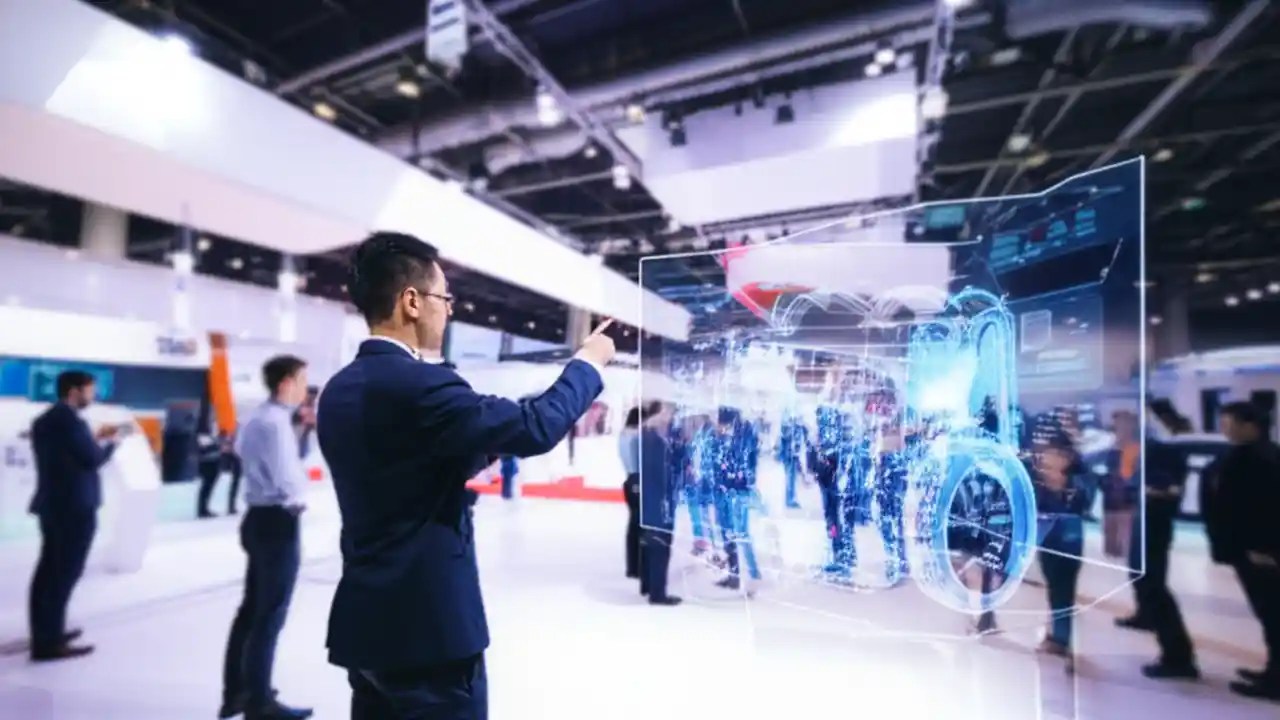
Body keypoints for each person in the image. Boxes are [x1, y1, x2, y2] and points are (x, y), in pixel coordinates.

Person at [316, 232, 612, 719]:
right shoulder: (422, 385)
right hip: (429, 636)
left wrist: (477, 446)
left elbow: (406, 466)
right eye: (443, 298)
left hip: (366, 628)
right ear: (412, 301)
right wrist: (587, 363)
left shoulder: (339, 391)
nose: (448, 310)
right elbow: (537, 427)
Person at [218, 355, 313, 720]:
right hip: (277, 522)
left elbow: (244, 456)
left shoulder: (256, 418)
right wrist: (298, 502)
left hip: (257, 518)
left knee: (251, 610)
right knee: (269, 615)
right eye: (302, 381)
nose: (305, 390)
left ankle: (238, 693)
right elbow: (287, 478)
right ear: (286, 382)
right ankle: (259, 701)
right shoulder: (275, 425)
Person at [27, 370, 121, 662]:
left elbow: (69, 455)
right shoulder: (69, 422)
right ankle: (49, 642)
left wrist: (94, 439)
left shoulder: (49, 420)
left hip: (54, 505)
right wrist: (112, 443)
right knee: (63, 573)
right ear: (74, 391)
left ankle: (47, 631)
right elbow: (90, 459)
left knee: (48, 573)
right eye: (90, 390)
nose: (93, 396)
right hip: (74, 508)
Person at [1202, 401, 1280, 700]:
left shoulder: (1264, 459)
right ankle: (1273, 669)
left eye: (1230, 421)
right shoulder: (1244, 455)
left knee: (1273, 614)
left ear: (1251, 425)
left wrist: (1265, 548)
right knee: (1268, 614)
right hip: (1245, 549)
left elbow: (1268, 509)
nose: (1225, 427)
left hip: (1261, 551)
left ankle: (1275, 680)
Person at [1137, 412, 1198, 681]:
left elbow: (1169, 491)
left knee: (1153, 585)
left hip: (1154, 526)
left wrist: (1150, 492)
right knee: (1147, 582)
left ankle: (1177, 657)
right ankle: (1174, 652)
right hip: (1148, 525)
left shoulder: (1166, 452)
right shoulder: (1160, 449)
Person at [710, 407, 761, 591]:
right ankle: (734, 574)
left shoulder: (745, 435)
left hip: (739, 490)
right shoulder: (722, 435)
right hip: (723, 488)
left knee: (740, 532)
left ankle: (753, 575)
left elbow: (748, 462)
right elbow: (717, 458)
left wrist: (741, 478)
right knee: (726, 532)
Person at [639, 403, 682, 606]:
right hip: (659, 501)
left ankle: (651, 586)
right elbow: (662, 473)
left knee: (654, 544)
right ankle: (658, 593)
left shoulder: (650, 436)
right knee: (660, 545)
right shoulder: (655, 440)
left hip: (654, 500)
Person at [619, 407, 642, 579]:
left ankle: (632, 565)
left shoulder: (623, 436)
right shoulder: (635, 437)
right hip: (637, 479)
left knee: (633, 525)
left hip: (629, 480)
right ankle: (636, 565)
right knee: (639, 525)